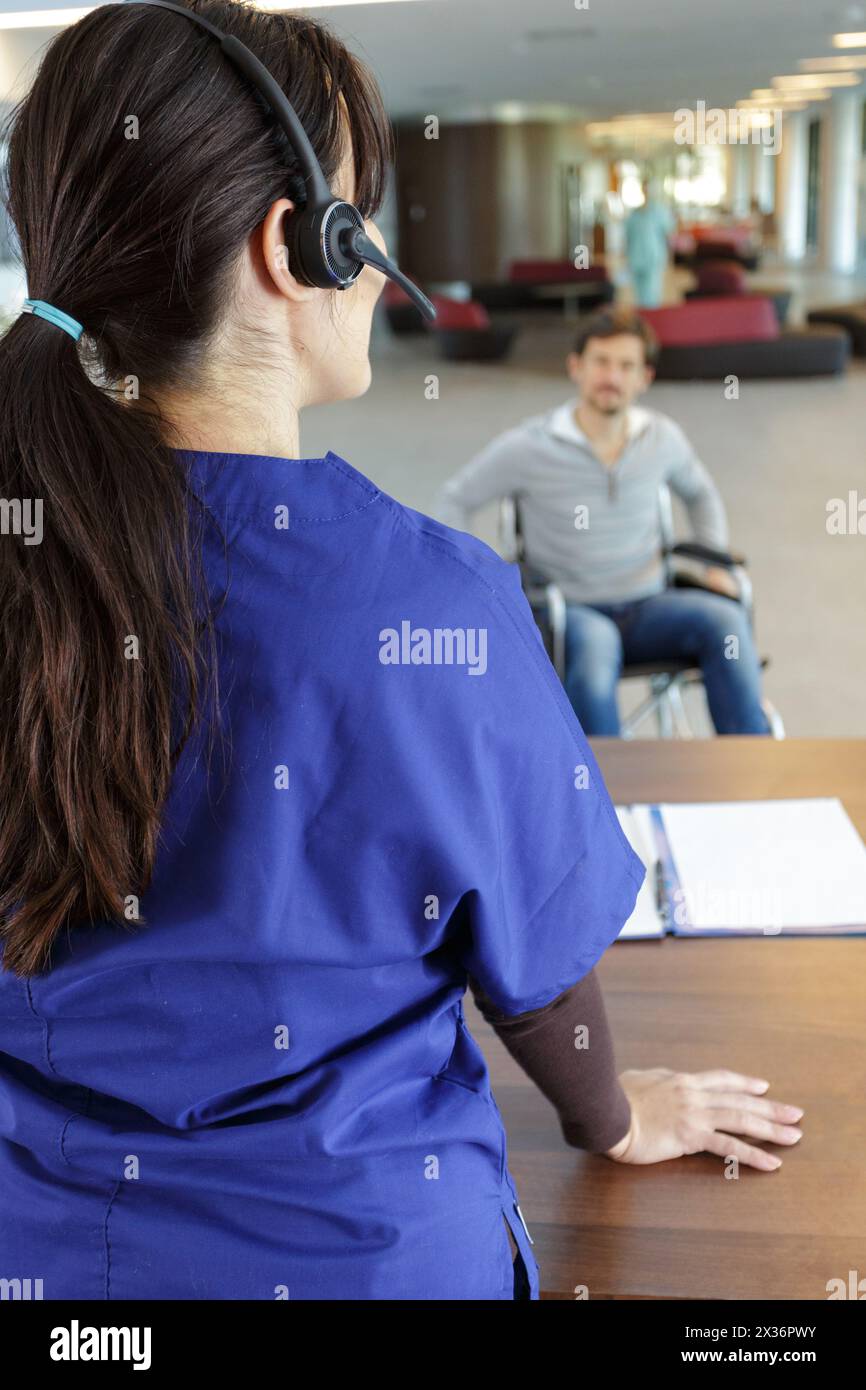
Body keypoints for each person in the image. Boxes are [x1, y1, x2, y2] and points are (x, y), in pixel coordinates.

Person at [0, 3, 802, 1304]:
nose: (378, 266)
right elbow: (535, 975)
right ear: (292, 245)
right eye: (362, 220)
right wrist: (610, 1113)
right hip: (354, 1259)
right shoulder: (422, 603)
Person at [434, 307, 773, 737]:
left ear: (644, 377)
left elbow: (701, 494)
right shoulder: (530, 447)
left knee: (727, 622)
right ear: (576, 367)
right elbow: (456, 498)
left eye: (626, 365)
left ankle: (749, 774)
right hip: (572, 610)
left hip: (651, 604)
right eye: (601, 362)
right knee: (596, 653)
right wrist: (473, 577)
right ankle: (608, 796)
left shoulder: (661, 439)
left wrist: (716, 566)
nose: (612, 376)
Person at [624, 179, 675, 307]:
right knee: (639, 293)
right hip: (636, 258)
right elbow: (628, 236)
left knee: (652, 293)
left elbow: (668, 234)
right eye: (645, 188)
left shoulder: (659, 212)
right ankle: (643, 318)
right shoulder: (634, 214)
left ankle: (652, 319)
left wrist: (671, 256)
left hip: (653, 258)